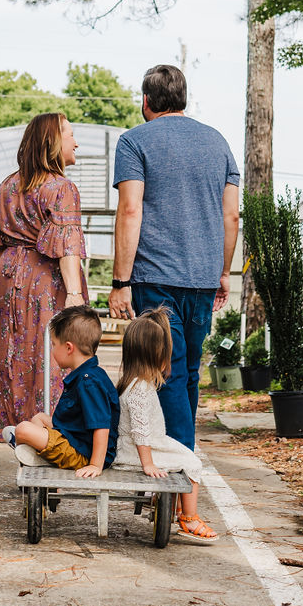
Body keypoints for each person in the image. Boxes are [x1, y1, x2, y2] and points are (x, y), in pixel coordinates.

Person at [108, 65, 240, 449]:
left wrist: (120, 282)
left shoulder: (134, 142)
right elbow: (231, 216)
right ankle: (184, 461)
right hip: (203, 278)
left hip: (155, 278)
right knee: (190, 371)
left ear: (146, 100)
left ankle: (180, 462)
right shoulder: (218, 143)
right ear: (183, 98)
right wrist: (223, 273)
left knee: (168, 372)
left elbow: (130, 210)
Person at [0, 113, 87, 442]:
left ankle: (20, 436)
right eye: (70, 135)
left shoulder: (7, 186)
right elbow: (67, 246)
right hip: (45, 281)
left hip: (8, 279)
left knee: (13, 360)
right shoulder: (62, 188)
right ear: (53, 142)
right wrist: (75, 294)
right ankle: (49, 440)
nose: (76, 143)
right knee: (51, 361)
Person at [114, 307, 219, 544]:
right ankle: (189, 518)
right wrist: (148, 463)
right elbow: (140, 431)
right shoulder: (139, 390)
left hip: (146, 445)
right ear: (159, 357)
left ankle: (178, 507)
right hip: (134, 452)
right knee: (192, 463)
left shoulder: (137, 383)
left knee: (186, 456)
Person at [3, 305, 117, 477]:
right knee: (39, 418)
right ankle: (35, 450)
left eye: (54, 344)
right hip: (74, 438)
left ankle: (35, 453)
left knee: (23, 429)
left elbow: (101, 427)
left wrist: (95, 465)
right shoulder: (86, 374)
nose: (52, 349)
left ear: (69, 348)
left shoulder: (89, 382)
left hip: (82, 454)